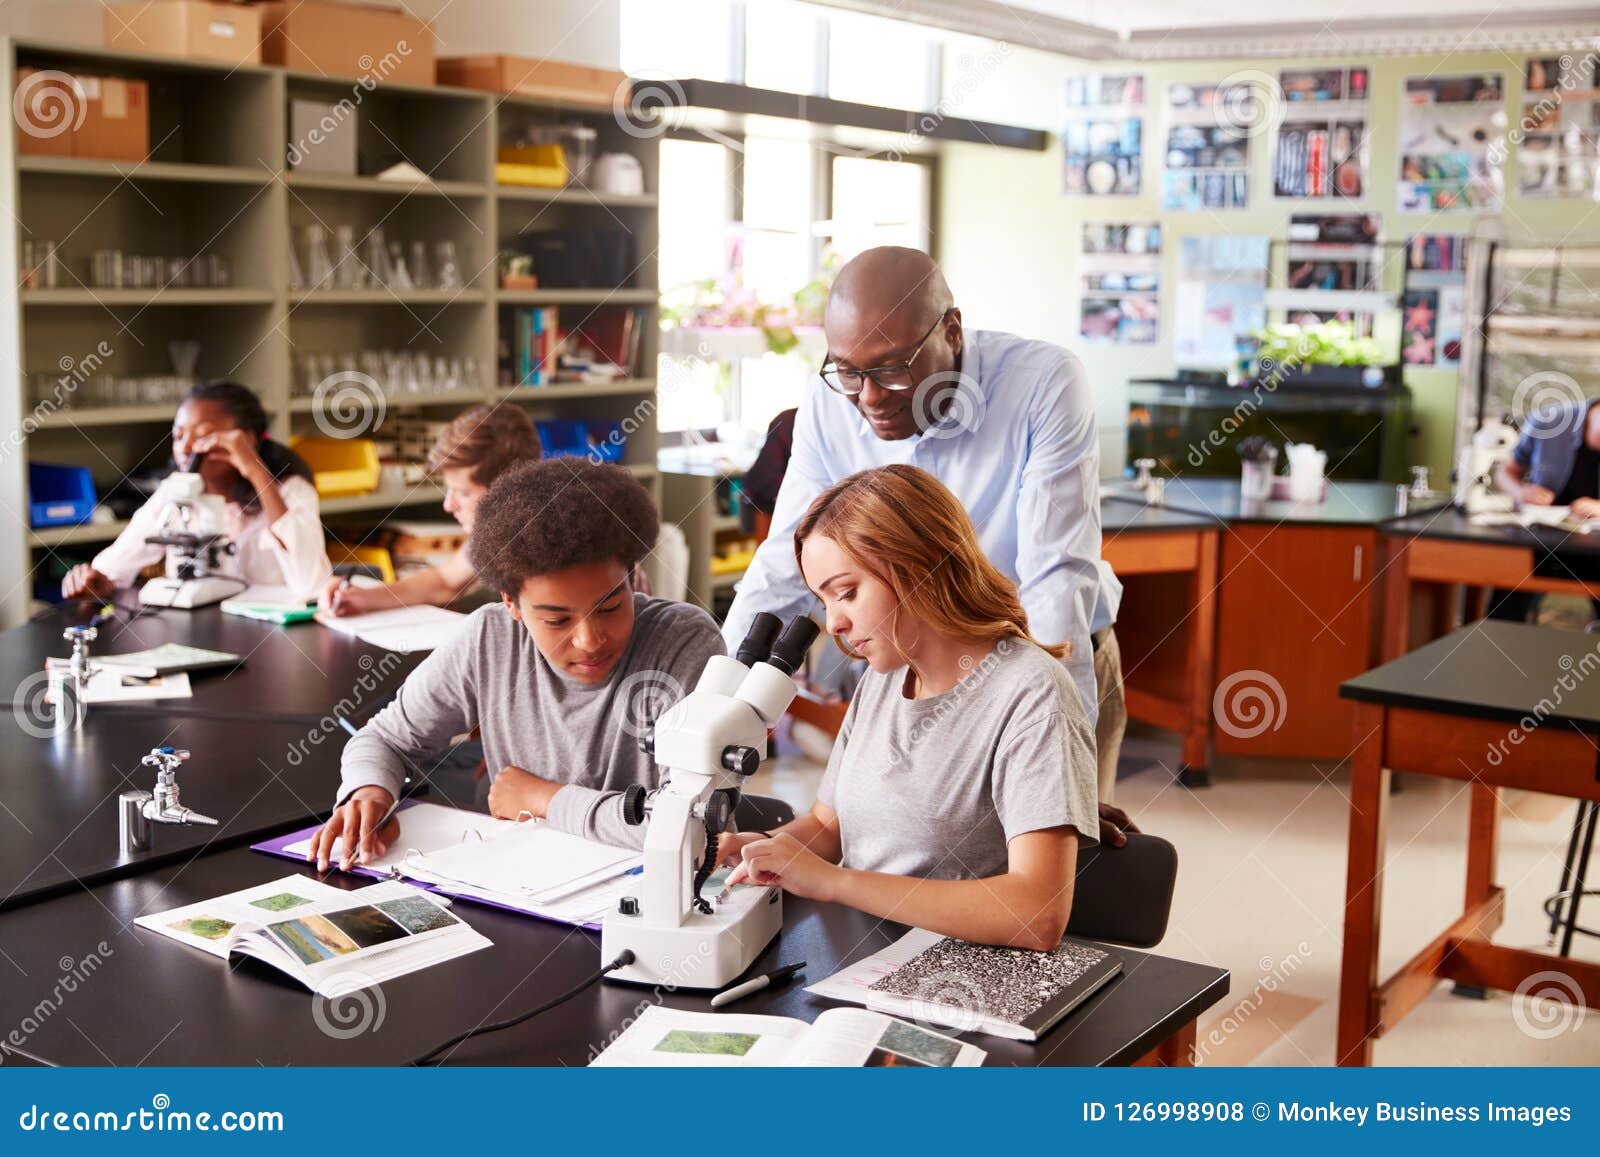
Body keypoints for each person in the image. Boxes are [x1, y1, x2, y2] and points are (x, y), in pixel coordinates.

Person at [721, 246, 1129, 805]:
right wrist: (720, 699)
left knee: (1052, 876)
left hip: (1044, 658)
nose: (868, 397)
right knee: (914, 865)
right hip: (912, 668)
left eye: (892, 368)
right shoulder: (830, 403)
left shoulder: (1043, 383)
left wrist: (1063, 753)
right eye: (848, 371)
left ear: (952, 330)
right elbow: (780, 569)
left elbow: (1054, 580)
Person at [720, 465, 1097, 949]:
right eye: (823, 601)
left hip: (962, 979)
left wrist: (834, 883)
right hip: (866, 954)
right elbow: (828, 826)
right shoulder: (886, 676)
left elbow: (1037, 915)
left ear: (920, 565)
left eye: (848, 593)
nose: (833, 622)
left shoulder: (1031, 692)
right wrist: (769, 850)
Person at [307, 457, 723, 870]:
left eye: (611, 606)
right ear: (512, 604)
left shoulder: (683, 644)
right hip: (523, 887)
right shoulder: (490, 638)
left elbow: (692, 828)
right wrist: (370, 792)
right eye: (557, 619)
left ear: (633, 580)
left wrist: (545, 799)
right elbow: (386, 739)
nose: (589, 639)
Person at [61, 381, 331, 602]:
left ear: (246, 439)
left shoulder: (291, 491)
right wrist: (94, 582)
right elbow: (115, 567)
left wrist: (255, 471)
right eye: (178, 436)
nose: (185, 448)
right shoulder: (176, 493)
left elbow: (312, 583)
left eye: (202, 436)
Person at [318, 404, 539, 617]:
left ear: (507, 490)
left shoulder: (543, 542)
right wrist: (361, 598)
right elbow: (445, 582)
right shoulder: (494, 532)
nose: (448, 505)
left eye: (462, 492)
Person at [1491, 398, 1600, 622]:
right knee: (1505, 608)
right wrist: (1521, 492)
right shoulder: (1548, 421)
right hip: (1540, 535)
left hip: (1594, 545)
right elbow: (1506, 473)